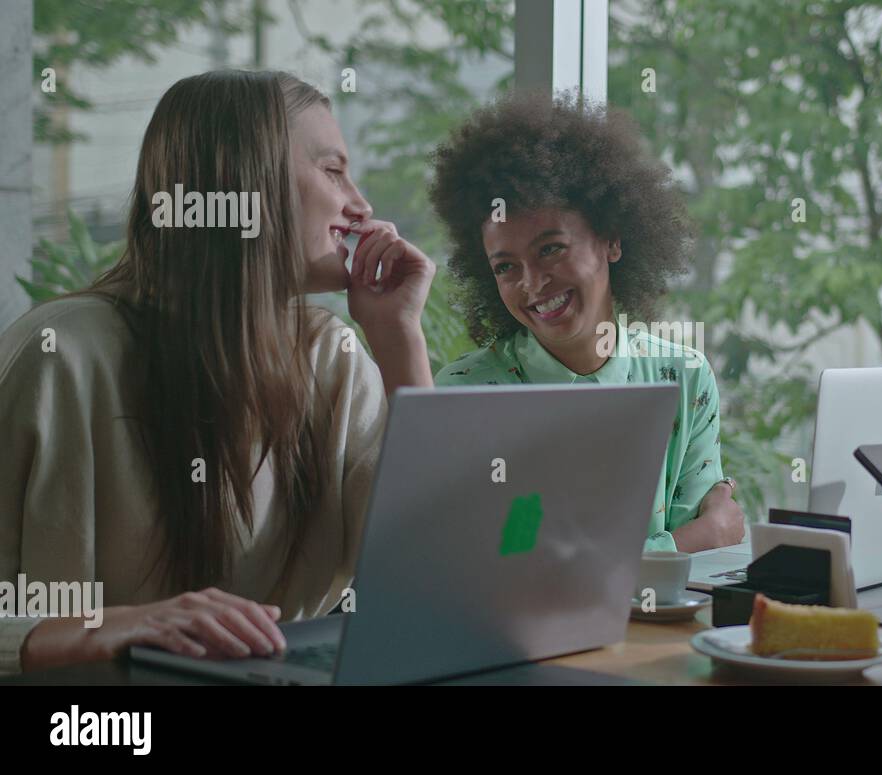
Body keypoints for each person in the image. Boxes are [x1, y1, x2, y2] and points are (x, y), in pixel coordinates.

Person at [0, 70, 435, 674]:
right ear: (245, 181)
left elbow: (434, 572)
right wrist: (121, 624)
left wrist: (397, 340)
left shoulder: (334, 359)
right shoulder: (58, 356)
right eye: (333, 171)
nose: (360, 205)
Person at [428, 92, 744, 553]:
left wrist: (691, 546)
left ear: (611, 240)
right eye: (505, 267)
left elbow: (691, 578)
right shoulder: (465, 392)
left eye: (550, 248)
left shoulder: (685, 376)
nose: (532, 284)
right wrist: (692, 539)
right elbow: (515, 568)